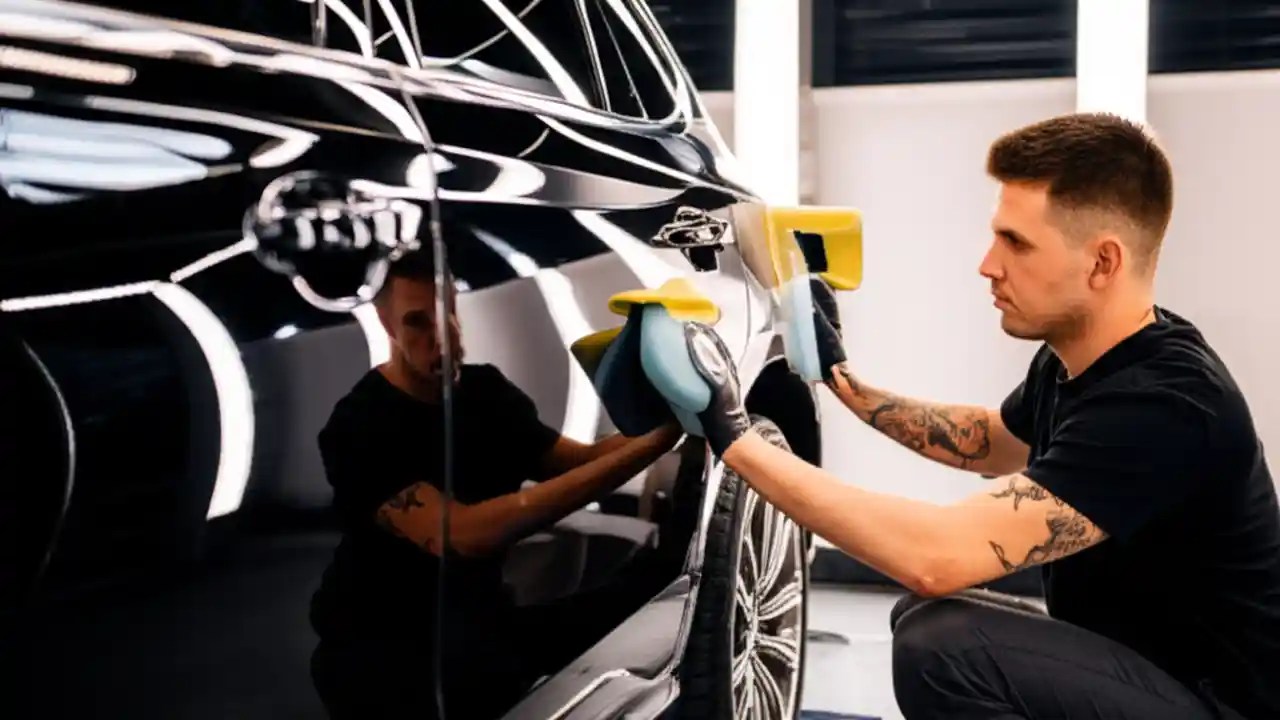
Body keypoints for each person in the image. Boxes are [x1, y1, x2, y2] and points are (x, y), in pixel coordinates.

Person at [663, 112, 1280, 719]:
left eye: (1016, 242)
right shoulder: (1086, 355)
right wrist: (848, 387)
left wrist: (733, 437)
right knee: (922, 620)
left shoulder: (1164, 406)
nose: (988, 264)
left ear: (1102, 263)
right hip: (1154, 672)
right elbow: (991, 441)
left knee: (944, 647)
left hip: (1217, 705)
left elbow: (936, 558)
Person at [307, 251, 682, 719]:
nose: (441, 339)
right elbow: (462, 534)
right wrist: (648, 448)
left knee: (655, 585)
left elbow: (572, 462)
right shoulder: (359, 424)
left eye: (447, 313)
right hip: (382, 643)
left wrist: (671, 416)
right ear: (386, 325)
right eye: (418, 322)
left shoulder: (484, 391)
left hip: (477, 617)